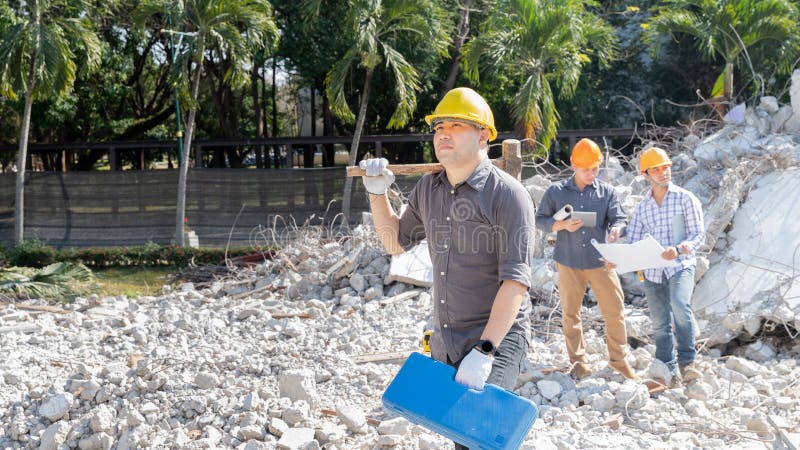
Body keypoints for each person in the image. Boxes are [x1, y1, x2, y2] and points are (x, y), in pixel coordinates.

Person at [359, 87, 536, 449]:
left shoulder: (508, 195)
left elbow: (515, 284)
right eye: (439, 125)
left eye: (457, 124)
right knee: (461, 438)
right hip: (448, 339)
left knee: (481, 438)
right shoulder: (428, 188)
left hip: (497, 340)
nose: (444, 133)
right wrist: (377, 193)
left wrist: (485, 350)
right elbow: (395, 242)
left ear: (484, 134)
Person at [534, 138, 637, 380]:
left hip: (600, 262)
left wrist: (617, 230)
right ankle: (578, 362)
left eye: (595, 169)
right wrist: (560, 225)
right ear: (573, 165)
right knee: (571, 314)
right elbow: (540, 220)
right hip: (568, 261)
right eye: (586, 169)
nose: (591, 174)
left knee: (614, 311)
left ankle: (619, 362)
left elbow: (620, 219)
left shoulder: (607, 193)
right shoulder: (556, 192)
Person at [626, 147, 704, 387]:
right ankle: (665, 368)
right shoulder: (642, 208)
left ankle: (688, 363)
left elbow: (699, 235)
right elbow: (633, 241)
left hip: (680, 265)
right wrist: (621, 258)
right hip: (652, 271)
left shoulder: (685, 199)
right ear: (646, 174)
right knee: (659, 320)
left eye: (666, 168)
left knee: (680, 305)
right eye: (657, 169)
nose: (663, 173)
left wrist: (678, 249)